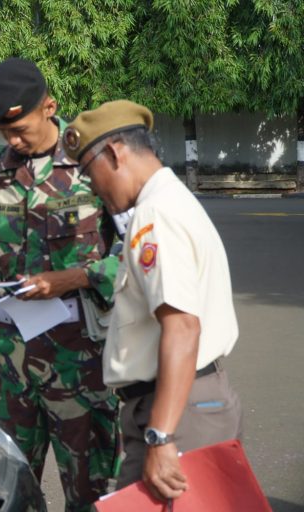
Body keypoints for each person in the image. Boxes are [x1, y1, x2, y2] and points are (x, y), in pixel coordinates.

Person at [0, 58, 120, 511]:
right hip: (11, 366)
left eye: (20, 129)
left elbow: (134, 252)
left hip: (81, 360)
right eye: (4, 134)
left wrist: (76, 277)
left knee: (90, 489)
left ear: (50, 106)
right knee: (6, 485)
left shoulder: (93, 165)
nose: (12, 141)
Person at [63, 100, 242, 502]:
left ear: (114, 153)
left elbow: (182, 326)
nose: (91, 186)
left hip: (175, 411)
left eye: (90, 172)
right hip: (186, 402)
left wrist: (161, 436)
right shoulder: (172, 199)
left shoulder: (154, 215)